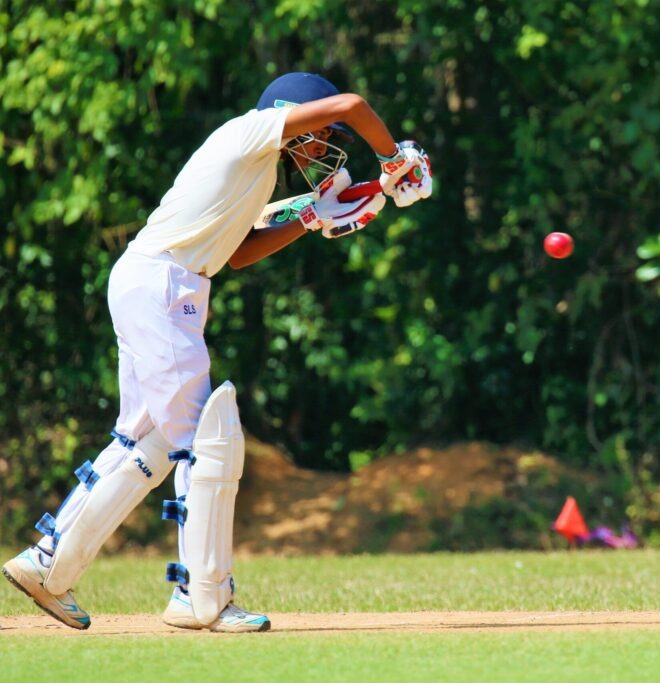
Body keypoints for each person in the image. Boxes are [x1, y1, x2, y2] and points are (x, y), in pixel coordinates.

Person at [1, 72, 432, 633]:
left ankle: (48, 565)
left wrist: (309, 216)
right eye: (322, 132)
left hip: (153, 282)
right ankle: (201, 596)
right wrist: (394, 160)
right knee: (208, 439)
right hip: (163, 286)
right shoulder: (251, 132)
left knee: (147, 443)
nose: (326, 146)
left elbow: (239, 255)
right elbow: (352, 103)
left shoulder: (259, 170)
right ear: (291, 115)